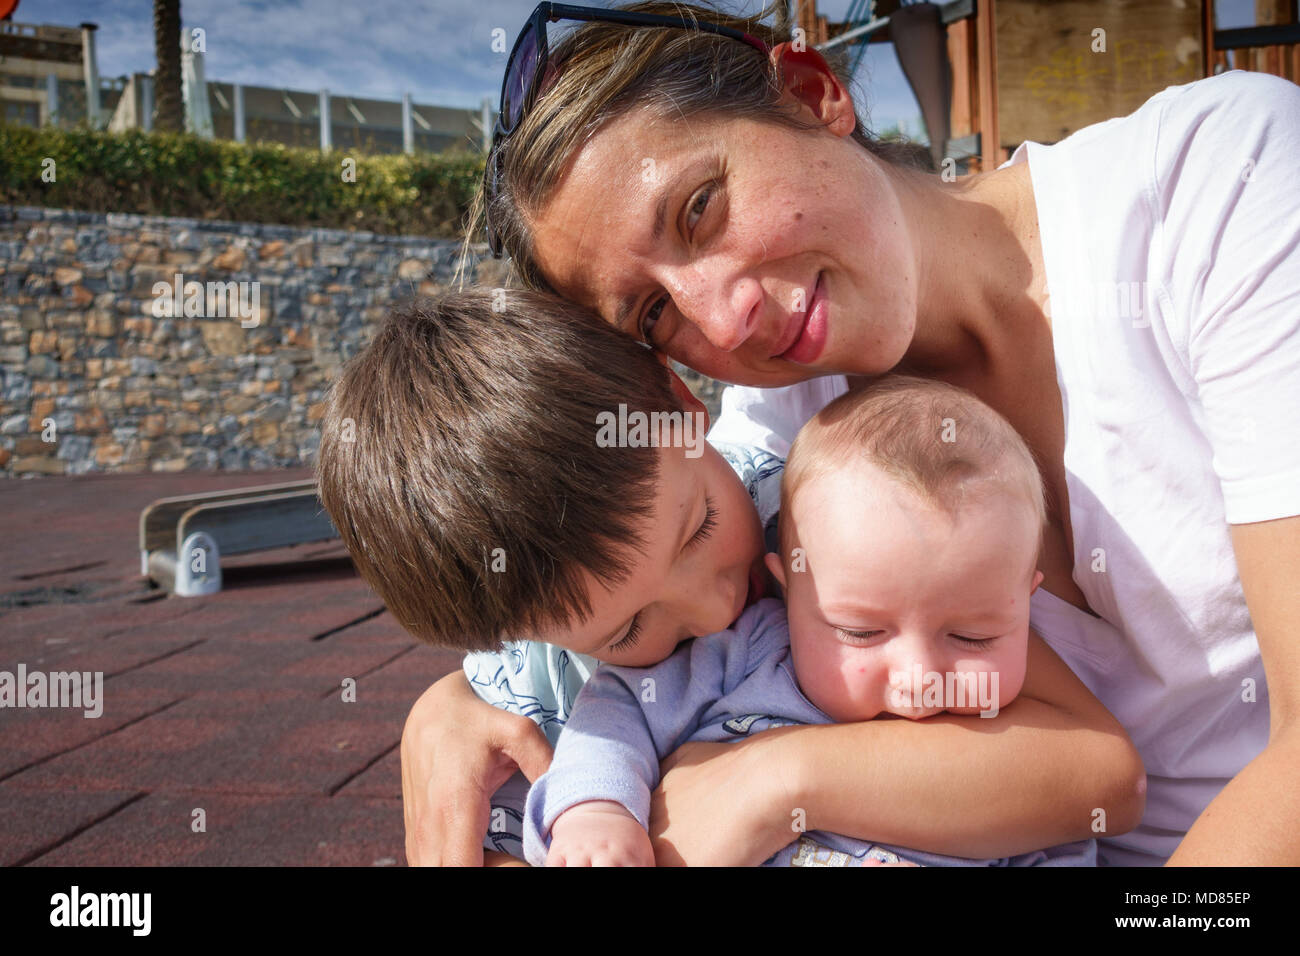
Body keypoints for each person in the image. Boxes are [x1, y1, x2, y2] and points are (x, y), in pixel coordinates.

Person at [404, 1, 1300, 866]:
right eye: (650, 315)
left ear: (809, 89)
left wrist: (775, 779)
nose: (724, 321)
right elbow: (600, 568)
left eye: (699, 208)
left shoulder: (1217, 184)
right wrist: (449, 708)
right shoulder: (785, 431)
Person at [315, 288, 1138, 866]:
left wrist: (776, 784)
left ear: (678, 398)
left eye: (701, 525)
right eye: (628, 631)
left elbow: (1087, 764)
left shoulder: (830, 509)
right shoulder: (541, 683)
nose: (714, 608)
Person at [526, 377, 1124, 867]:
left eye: (974, 637)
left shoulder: (1020, 756)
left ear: (1027, 604)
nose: (918, 680)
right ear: (790, 591)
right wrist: (595, 811)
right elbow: (616, 710)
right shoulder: (747, 654)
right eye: (860, 632)